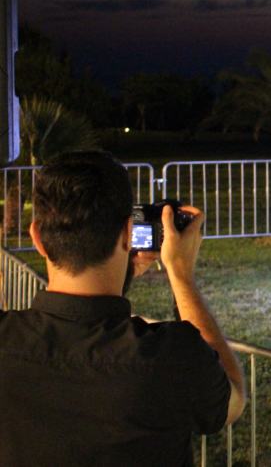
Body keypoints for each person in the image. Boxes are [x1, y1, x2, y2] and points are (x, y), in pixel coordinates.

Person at [0, 151, 246, 466]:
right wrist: (181, 276)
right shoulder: (172, 355)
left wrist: (124, 269)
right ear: (129, 233)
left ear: (37, 237)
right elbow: (232, 399)